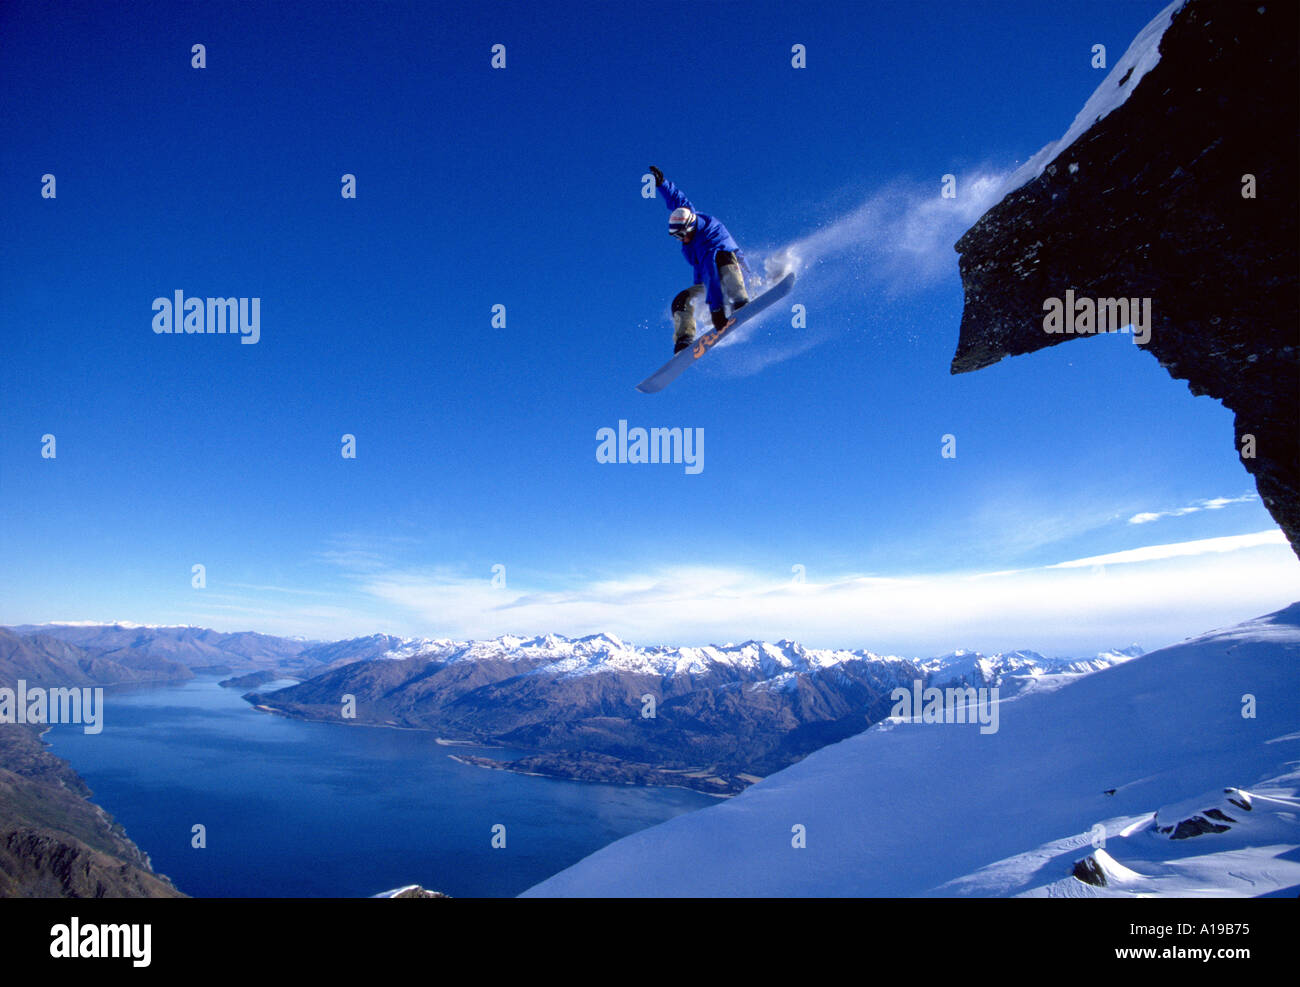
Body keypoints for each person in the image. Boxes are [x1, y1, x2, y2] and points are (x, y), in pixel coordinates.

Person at [649, 166, 750, 353]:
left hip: (734, 272)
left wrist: (717, 310)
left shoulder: (710, 237)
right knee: (681, 299)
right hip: (711, 286)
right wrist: (662, 184)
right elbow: (676, 200)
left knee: (722, 258)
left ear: (689, 228)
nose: (680, 240)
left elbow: (712, 273)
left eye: (681, 235)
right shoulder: (689, 217)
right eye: (676, 237)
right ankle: (684, 340)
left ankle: (739, 300)